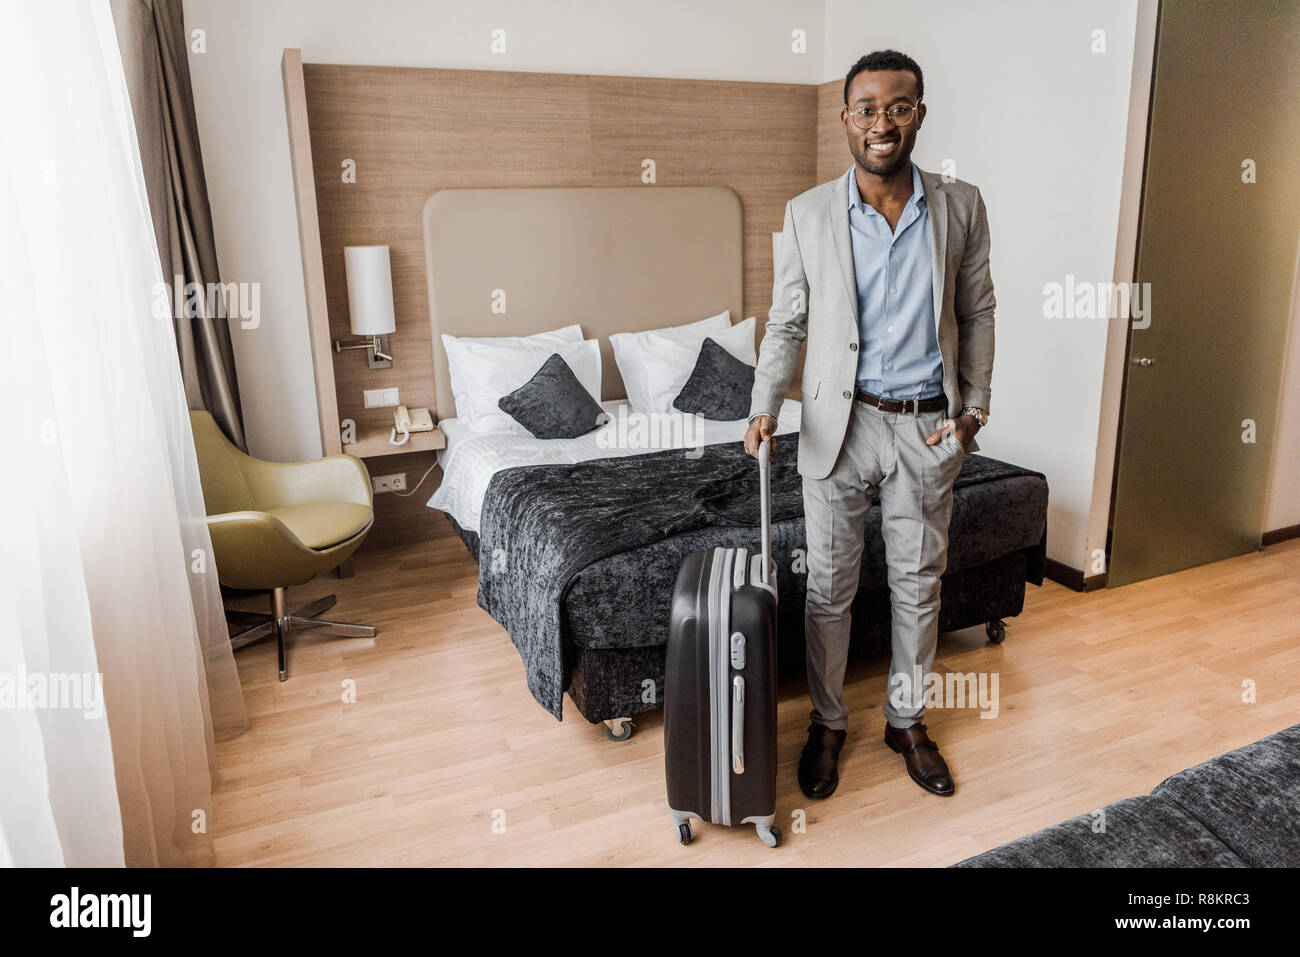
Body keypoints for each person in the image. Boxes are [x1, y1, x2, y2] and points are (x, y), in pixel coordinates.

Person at [744, 49, 994, 799]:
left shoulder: (961, 205)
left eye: (898, 106)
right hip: (837, 429)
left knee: (920, 583)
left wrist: (974, 405)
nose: (880, 123)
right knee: (829, 586)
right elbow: (787, 323)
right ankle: (827, 722)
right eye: (866, 109)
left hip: (926, 426)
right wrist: (762, 405)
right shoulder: (807, 212)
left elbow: (977, 309)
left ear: (919, 113)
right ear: (845, 118)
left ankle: (906, 719)